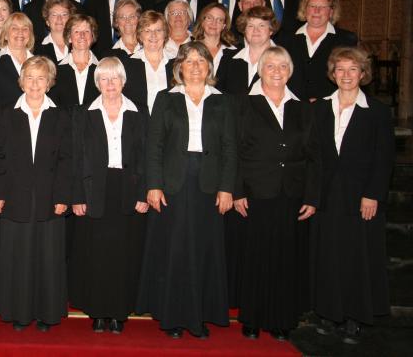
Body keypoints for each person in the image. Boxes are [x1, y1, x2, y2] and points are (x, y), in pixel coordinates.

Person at [136, 41, 236, 339]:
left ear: (209, 67)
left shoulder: (223, 101)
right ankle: (172, 316)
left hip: (208, 185)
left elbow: (230, 149)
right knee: (175, 249)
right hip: (172, 184)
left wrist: (227, 187)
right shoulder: (166, 99)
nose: (194, 66)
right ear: (178, 67)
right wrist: (153, 185)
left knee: (203, 250)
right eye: (188, 61)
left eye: (200, 61)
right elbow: (153, 146)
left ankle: (199, 315)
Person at [235, 46, 321, 341]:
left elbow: (314, 156)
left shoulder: (302, 109)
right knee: (256, 255)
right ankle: (252, 318)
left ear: (289, 71)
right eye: (270, 66)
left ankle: (282, 319)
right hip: (256, 190)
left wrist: (311, 196)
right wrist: (236, 191)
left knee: (287, 258)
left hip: (292, 192)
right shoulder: (246, 105)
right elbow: (235, 150)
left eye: (282, 66)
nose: (276, 71)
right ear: (261, 70)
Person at [312, 47, 394, 344]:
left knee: (357, 256)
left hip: (361, 197)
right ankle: (328, 312)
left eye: (353, 69)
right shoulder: (320, 108)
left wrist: (373, 194)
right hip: (327, 194)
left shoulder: (377, 112)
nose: (346, 75)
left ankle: (353, 316)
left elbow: (384, 158)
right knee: (328, 254)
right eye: (341, 69)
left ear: (363, 73)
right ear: (333, 74)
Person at [0, 56, 72, 332]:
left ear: (49, 83)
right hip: (15, 196)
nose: (35, 84)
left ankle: (46, 314)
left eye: (41, 78)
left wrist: (63, 196)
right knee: (18, 257)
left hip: (51, 198)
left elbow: (66, 159)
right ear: (21, 81)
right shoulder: (7, 114)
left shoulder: (60, 116)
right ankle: (19, 313)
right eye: (30, 77)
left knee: (47, 258)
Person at [69, 56, 148, 334]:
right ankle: (98, 312)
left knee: (123, 254)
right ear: (97, 82)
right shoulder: (83, 113)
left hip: (127, 189)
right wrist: (77, 196)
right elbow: (76, 159)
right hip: (94, 190)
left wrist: (143, 193)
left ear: (123, 81)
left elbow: (145, 157)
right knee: (97, 254)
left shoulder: (138, 113)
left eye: (115, 78)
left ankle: (119, 312)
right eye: (104, 78)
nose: (110, 83)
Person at [279, 0, 358, 101]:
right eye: (312, 6)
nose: (316, 11)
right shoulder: (286, 40)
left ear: (331, 12)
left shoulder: (346, 40)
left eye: (322, 7)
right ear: (305, 10)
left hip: (332, 106)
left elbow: (351, 77)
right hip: (293, 106)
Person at [218, 5, 278, 95]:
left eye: (261, 25)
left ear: (271, 30)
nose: (256, 30)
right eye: (250, 26)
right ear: (244, 30)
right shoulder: (228, 58)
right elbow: (218, 94)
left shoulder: (283, 60)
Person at [123, 11, 173, 113]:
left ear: (165, 34)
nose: (153, 35)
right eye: (147, 31)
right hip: (139, 125)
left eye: (158, 30)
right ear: (140, 35)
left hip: (170, 127)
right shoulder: (127, 65)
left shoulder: (177, 64)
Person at [49, 14, 100, 108]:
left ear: (92, 37)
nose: (82, 35)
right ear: (69, 37)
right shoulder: (55, 70)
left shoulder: (102, 69)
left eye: (87, 31)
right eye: (77, 31)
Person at [191, 3, 237, 84]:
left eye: (219, 20)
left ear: (224, 25)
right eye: (209, 18)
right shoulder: (188, 49)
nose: (214, 23)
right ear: (202, 21)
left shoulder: (235, 53)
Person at [34, 0, 75, 64]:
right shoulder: (37, 49)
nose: (59, 18)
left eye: (64, 14)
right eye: (54, 15)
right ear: (47, 21)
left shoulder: (79, 43)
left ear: (70, 19)